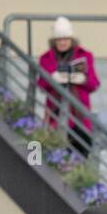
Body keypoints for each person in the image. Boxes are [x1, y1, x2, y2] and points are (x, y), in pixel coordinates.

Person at [37, 16, 101, 156]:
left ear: (72, 39)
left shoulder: (85, 56)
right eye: (59, 39)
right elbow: (41, 86)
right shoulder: (46, 58)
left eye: (65, 39)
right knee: (54, 156)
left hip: (80, 117)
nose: (62, 42)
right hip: (55, 116)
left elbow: (94, 84)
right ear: (54, 41)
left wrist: (82, 79)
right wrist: (52, 79)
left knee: (81, 156)